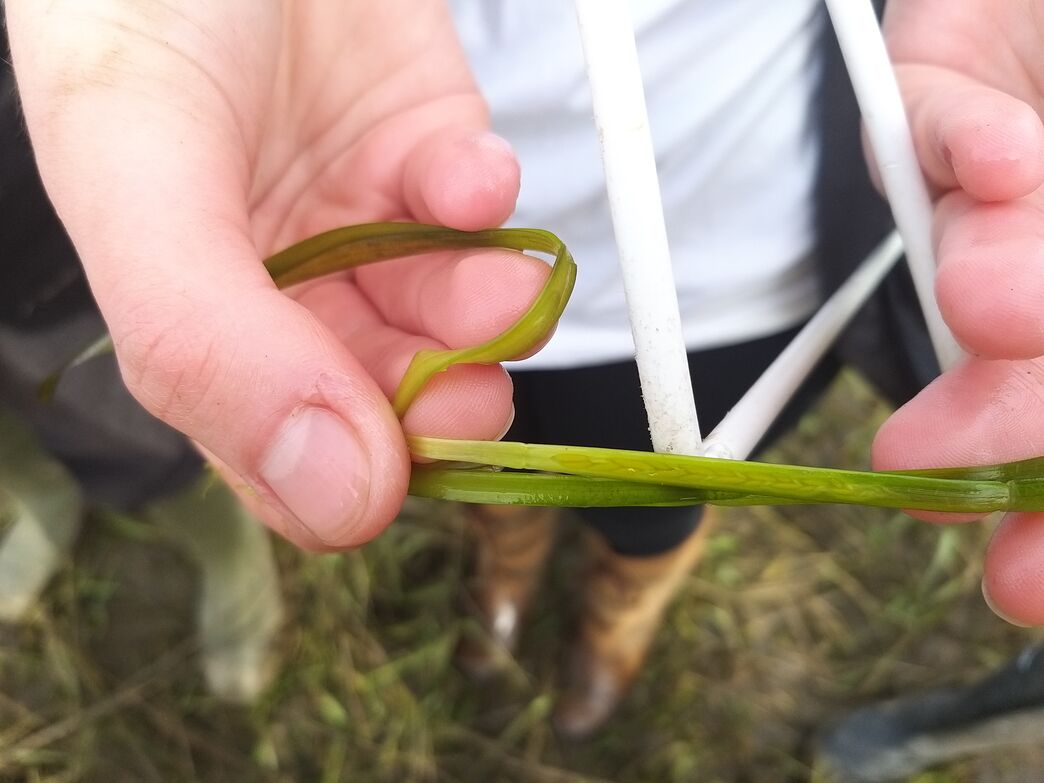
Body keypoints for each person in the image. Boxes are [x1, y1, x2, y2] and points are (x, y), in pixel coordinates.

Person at [5, 0, 1044, 736]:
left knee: (656, 499)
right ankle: (503, 571)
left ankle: (619, 610)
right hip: (403, 201)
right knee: (485, 445)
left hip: (743, 236)